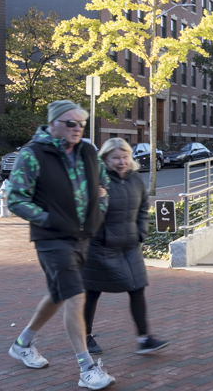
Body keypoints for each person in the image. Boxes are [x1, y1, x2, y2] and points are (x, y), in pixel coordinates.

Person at [4, 100, 115, 390]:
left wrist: (99, 212)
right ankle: (87, 368)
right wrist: (49, 220)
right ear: (54, 123)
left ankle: (22, 342)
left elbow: (104, 186)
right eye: (71, 123)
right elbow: (16, 198)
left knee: (58, 293)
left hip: (82, 237)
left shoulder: (88, 151)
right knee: (75, 296)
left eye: (81, 123)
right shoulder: (32, 154)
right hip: (51, 239)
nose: (77, 128)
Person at [82, 138, 169, 357]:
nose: (121, 162)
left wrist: (141, 232)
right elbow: (85, 215)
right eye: (116, 158)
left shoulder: (136, 179)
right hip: (101, 246)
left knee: (137, 288)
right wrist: (95, 198)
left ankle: (144, 338)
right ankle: (85, 337)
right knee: (92, 292)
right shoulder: (97, 181)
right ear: (105, 159)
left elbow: (142, 208)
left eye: (125, 157)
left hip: (130, 245)